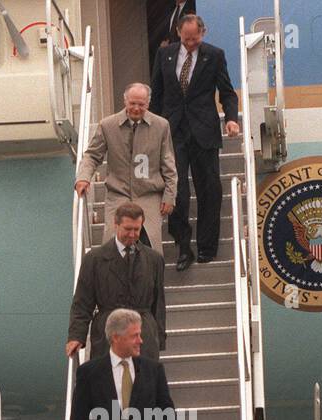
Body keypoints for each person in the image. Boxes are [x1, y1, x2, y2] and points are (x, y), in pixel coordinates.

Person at [150, 14, 239, 271]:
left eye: (195, 39)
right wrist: (153, 128)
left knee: (208, 189)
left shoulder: (215, 55)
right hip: (172, 130)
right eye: (187, 39)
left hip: (204, 130)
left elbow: (227, 92)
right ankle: (183, 246)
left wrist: (231, 119)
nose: (190, 44)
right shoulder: (164, 55)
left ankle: (207, 247)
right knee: (176, 191)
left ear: (203, 33)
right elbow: (157, 93)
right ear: (178, 32)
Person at [75, 83, 177, 252]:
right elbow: (92, 155)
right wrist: (83, 177)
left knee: (150, 248)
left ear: (148, 104)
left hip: (149, 195)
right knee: (111, 245)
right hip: (118, 194)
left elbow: (169, 165)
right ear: (125, 101)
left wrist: (169, 196)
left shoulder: (161, 126)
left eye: (141, 104)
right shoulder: (107, 125)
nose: (136, 108)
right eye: (132, 103)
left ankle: (151, 278)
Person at [67, 203, 167, 361]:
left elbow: (159, 303)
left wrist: (159, 337)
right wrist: (76, 336)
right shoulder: (94, 259)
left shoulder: (154, 259)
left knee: (144, 384)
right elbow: (82, 302)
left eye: (137, 229)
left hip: (143, 336)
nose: (132, 234)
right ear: (116, 224)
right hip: (108, 334)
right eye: (128, 229)